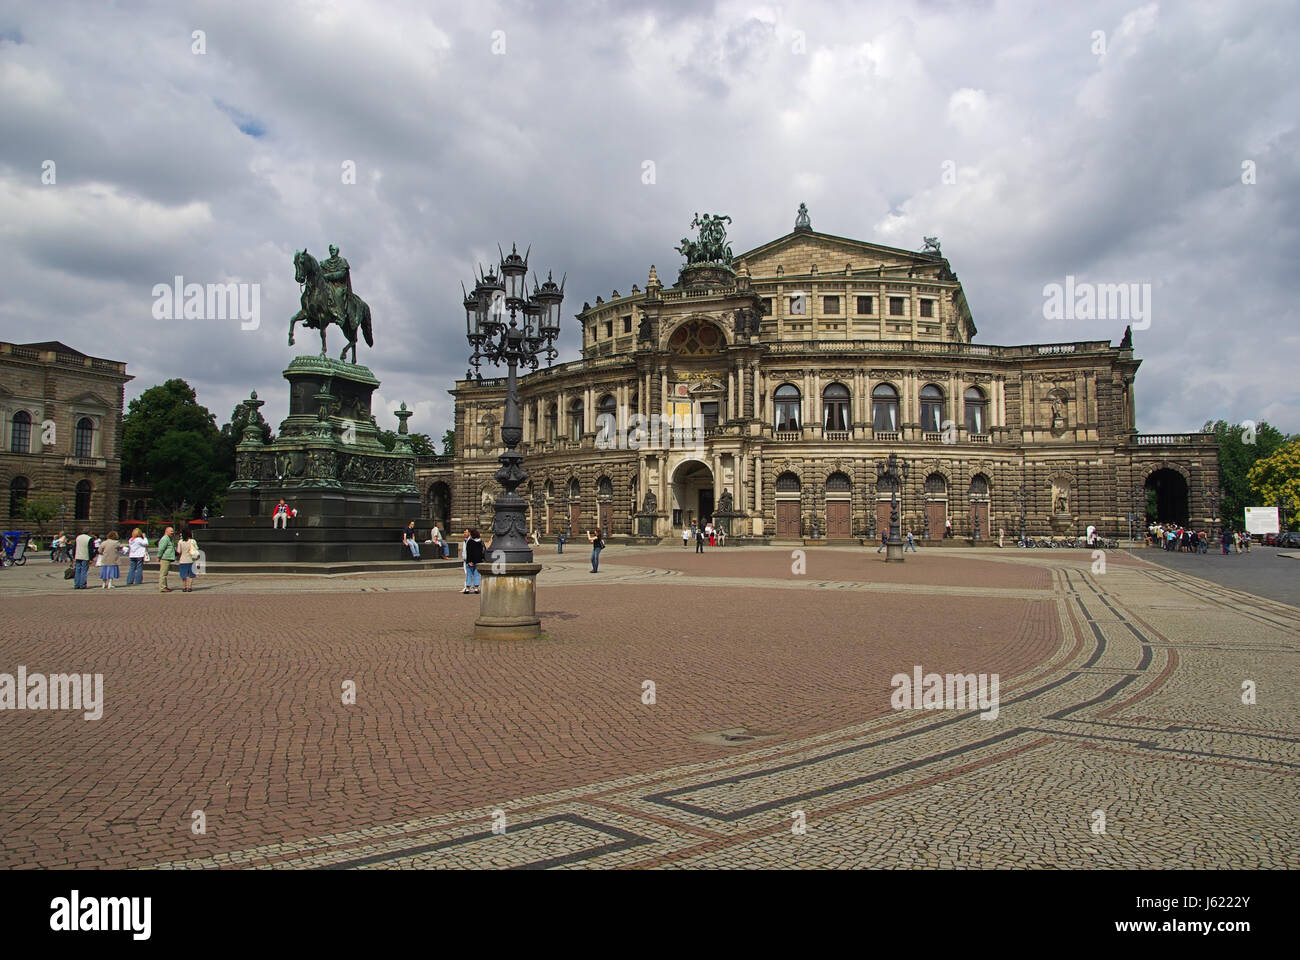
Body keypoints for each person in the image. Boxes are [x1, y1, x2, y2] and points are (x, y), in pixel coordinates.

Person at [178, 526, 199, 592]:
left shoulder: (180, 542)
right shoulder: (193, 541)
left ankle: (184, 587)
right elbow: (197, 549)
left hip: (183, 560)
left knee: (183, 575)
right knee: (191, 575)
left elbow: (179, 551)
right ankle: (189, 587)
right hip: (191, 560)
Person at [464, 528, 485, 594]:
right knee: (476, 575)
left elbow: (469, 552)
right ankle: (476, 588)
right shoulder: (481, 542)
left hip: (470, 561)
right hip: (478, 561)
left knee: (469, 575)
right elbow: (482, 552)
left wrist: (469, 561)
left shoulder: (470, 542)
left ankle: (467, 588)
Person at [157, 526, 177, 592]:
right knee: (163, 573)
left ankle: (164, 586)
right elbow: (161, 549)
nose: (172, 532)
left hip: (168, 557)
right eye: (171, 531)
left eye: (173, 531)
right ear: (166, 531)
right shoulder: (165, 539)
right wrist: (159, 557)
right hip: (165, 558)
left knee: (165, 573)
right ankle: (162, 587)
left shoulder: (169, 538)